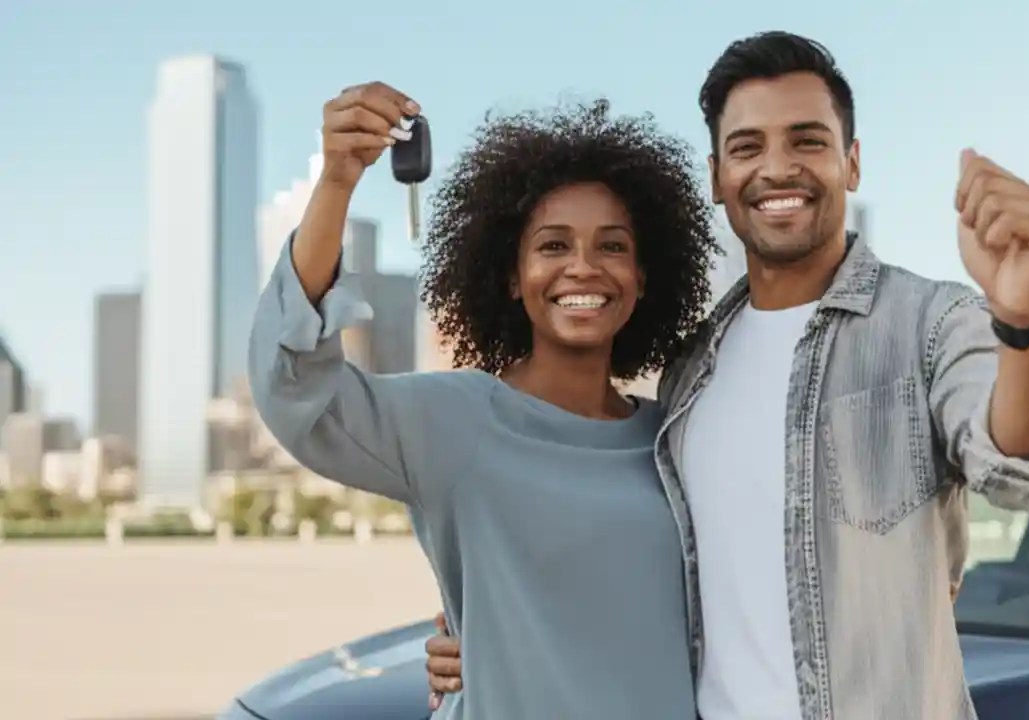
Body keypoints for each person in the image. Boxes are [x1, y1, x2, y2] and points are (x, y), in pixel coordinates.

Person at [425, 31, 1029, 719]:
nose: (777, 168)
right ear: (718, 177)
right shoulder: (690, 372)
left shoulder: (931, 324)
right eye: (748, 147)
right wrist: (488, 634)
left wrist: (1024, 319)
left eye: (807, 141)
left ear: (853, 162)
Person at [248, 82, 720, 718]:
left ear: (641, 276)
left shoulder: (678, 438)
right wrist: (337, 181)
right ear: (511, 276)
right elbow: (294, 387)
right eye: (553, 245)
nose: (583, 266)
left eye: (612, 245)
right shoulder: (454, 422)